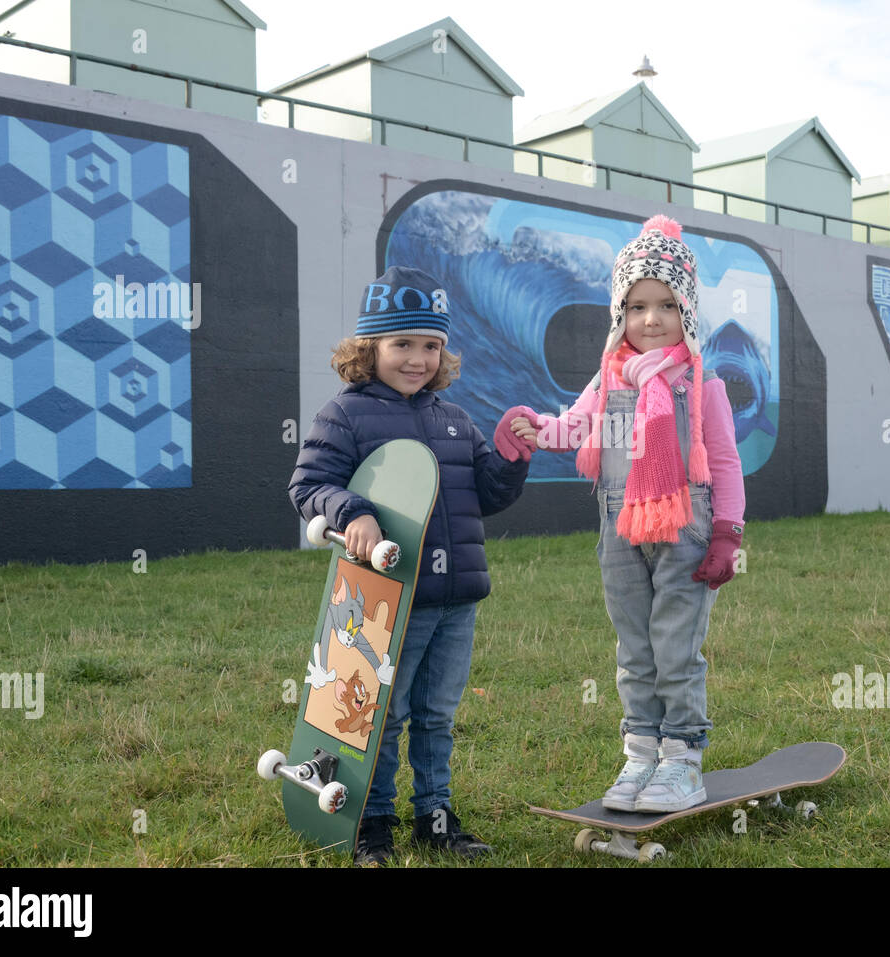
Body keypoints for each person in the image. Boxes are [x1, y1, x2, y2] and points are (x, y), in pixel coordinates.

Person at [493, 216, 745, 813]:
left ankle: (682, 760)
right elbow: (573, 426)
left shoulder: (699, 383)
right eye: (636, 306)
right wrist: (532, 428)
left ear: (687, 308)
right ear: (619, 314)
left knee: (675, 647)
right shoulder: (607, 381)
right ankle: (640, 755)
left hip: (687, 529)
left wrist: (728, 534)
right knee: (634, 648)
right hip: (618, 530)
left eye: (665, 304)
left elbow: (727, 463)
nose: (650, 319)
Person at [289, 266, 529, 865]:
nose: (418, 359)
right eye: (402, 344)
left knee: (438, 715)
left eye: (431, 345)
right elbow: (309, 484)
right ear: (369, 348)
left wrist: (511, 455)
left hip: (457, 598)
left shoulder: (454, 418)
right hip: (388, 599)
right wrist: (352, 513)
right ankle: (371, 822)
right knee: (382, 717)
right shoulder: (344, 415)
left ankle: (436, 814)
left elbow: (489, 494)